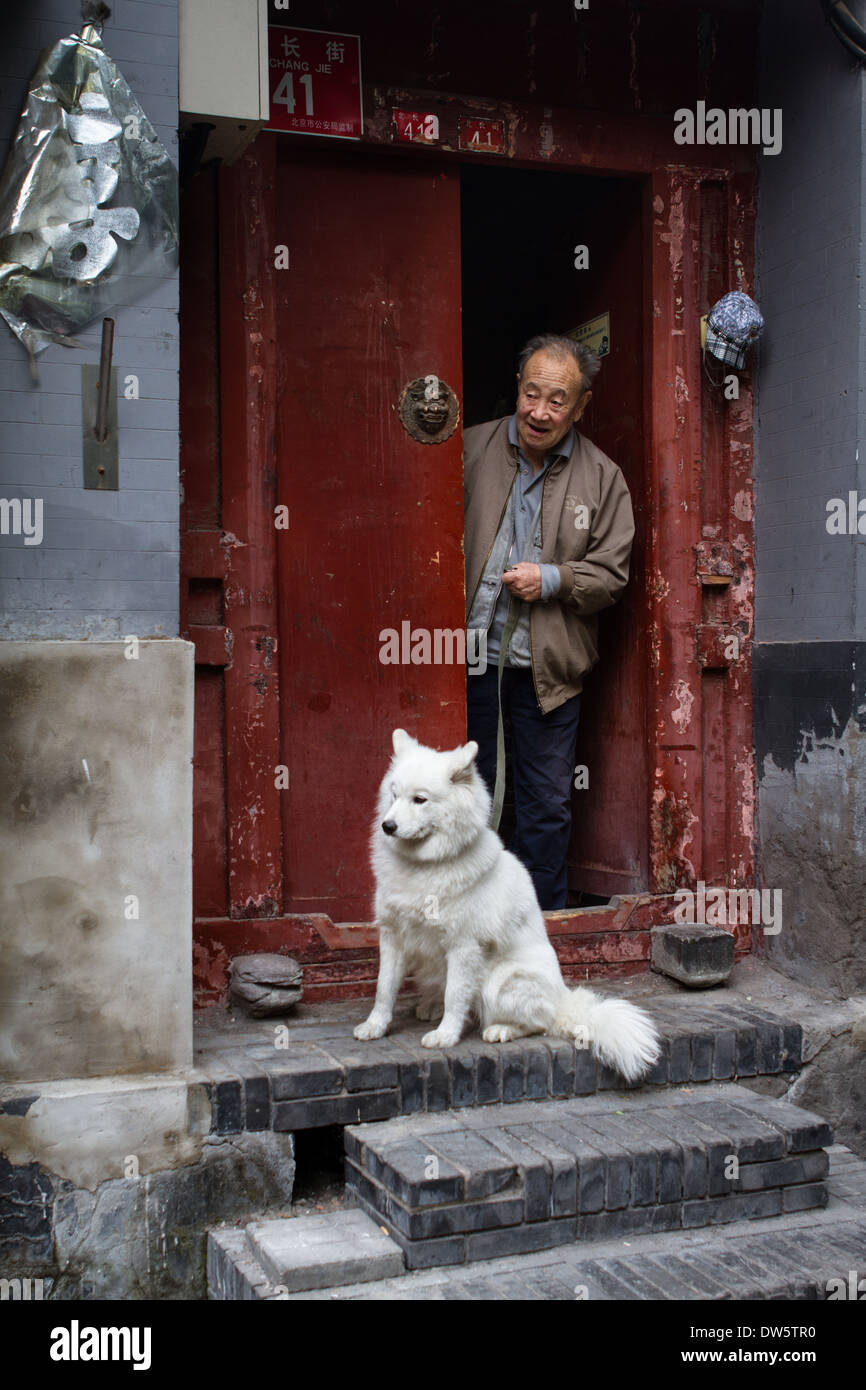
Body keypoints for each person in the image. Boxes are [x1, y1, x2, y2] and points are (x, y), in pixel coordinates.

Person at [464, 333, 635, 910]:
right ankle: (465, 932)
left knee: (545, 806)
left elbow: (611, 575)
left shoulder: (604, 478)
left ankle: (541, 936)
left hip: (550, 671)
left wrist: (553, 580)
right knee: (466, 804)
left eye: (556, 400)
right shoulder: (467, 450)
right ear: (517, 388)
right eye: (530, 393)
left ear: (581, 405)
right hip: (464, 664)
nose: (539, 411)